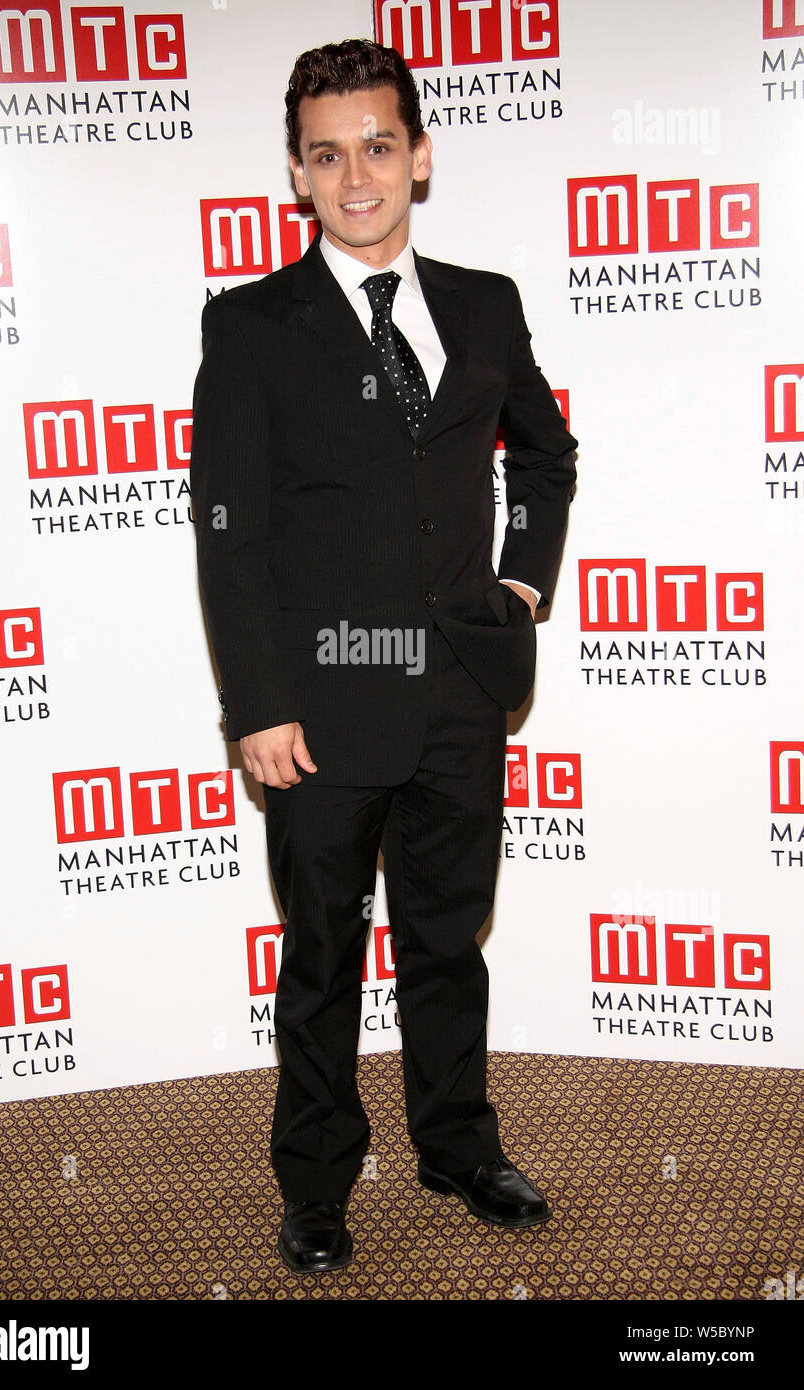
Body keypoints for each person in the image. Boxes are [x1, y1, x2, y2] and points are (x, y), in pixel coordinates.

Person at [190, 37, 577, 1274]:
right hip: (316, 711)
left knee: (444, 944)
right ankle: (313, 1180)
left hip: (462, 692)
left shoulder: (485, 304)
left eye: (375, 144)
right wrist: (256, 701)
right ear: (295, 176)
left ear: (418, 153)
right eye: (324, 153)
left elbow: (546, 455)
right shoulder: (250, 326)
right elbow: (230, 532)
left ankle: (458, 1145)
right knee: (319, 960)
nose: (354, 175)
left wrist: (521, 581)